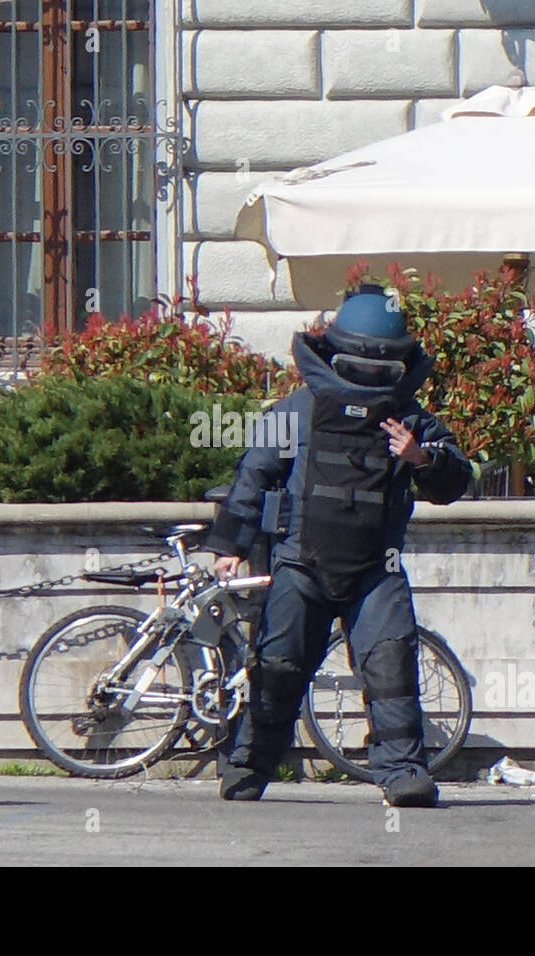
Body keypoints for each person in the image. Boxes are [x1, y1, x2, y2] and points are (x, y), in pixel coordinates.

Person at [203, 283, 472, 808]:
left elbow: (455, 480)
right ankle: (247, 769)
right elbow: (253, 477)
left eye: (382, 371)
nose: (372, 378)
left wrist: (422, 459)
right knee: (277, 668)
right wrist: (228, 546)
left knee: (391, 664)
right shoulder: (298, 411)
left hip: (377, 568)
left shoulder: (409, 420)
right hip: (301, 565)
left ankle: (403, 775)